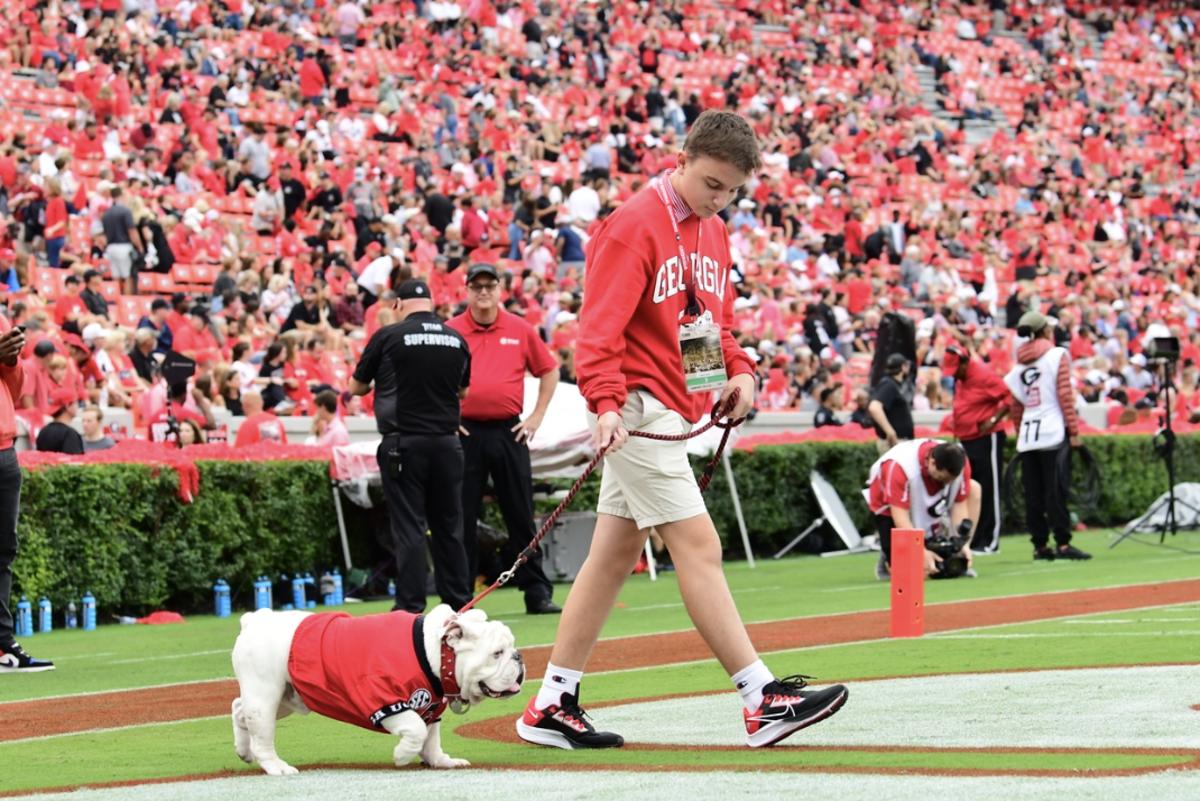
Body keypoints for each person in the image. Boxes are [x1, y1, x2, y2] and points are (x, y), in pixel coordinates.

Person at [516, 111, 847, 752]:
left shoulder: (713, 231)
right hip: (634, 407)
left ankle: (552, 701)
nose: (718, 198)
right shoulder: (633, 224)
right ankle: (761, 698)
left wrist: (737, 374)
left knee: (610, 560)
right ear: (682, 157)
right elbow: (598, 332)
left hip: (666, 406)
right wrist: (606, 404)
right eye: (711, 183)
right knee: (700, 546)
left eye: (730, 191)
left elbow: (707, 324)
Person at [350, 279, 473, 614]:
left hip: (403, 443)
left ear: (397, 305)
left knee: (410, 527)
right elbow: (462, 392)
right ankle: (459, 605)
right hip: (448, 444)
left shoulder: (388, 336)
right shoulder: (456, 339)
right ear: (431, 304)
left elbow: (357, 387)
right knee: (449, 527)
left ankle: (410, 607)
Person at [447, 261, 561, 615]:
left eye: (489, 286)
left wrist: (537, 415)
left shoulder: (519, 328)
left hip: (509, 430)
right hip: (465, 432)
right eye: (477, 286)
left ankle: (537, 592)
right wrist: (447, 417)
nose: (483, 292)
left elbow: (550, 370)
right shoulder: (451, 330)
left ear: (500, 290)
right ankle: (459, 598)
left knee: (521, 514)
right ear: (467, 290)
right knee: (461, 516)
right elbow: (432, 378)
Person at [1004, 311, 1092, 561]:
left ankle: (1040, 545)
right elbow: (1065, 395)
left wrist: (1021, 432)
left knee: (1033, 494)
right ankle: (1063, 543)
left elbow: (1016, 405)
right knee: (1056, 491)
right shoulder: (1056, 356)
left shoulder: (1018, 365)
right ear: (1046, 331)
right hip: (1052, 431)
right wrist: (1073, 431)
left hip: (1029, 436)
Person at [0, 321, 53, 671]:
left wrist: (9, 362)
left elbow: (14, 391)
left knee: (3, 550)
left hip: (4, 449)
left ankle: (2, 644)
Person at [866, 438, 981, 579]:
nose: (947, 484)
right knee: (914, 574)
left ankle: (951, 555)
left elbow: (959, 504)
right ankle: (888, 556)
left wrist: (960, 544)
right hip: (889, 507)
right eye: (943, 479)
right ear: (932, 463)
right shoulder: (899, 467)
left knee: (974, 488)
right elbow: (900, 519)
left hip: (927, 501)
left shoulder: (960, 463)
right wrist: (920, 551)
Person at [942, 343, 1010, 553]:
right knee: (970, 490)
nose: (954, 375)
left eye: (956, 369)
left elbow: (1008, 397)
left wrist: (992, 419)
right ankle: (973, 540)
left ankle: (990, 541)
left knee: (989, 488)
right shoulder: (960, 379)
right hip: (966, 438)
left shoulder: (982, 374)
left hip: (986, 438)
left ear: (965, 362)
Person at [867, 353, 913, 453]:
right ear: (902, 367)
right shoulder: (888, 384)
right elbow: (874, 407)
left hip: (899, 442)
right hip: (893, 443)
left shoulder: (892, 384)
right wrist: (890, 431)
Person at [35, 387, 84, 454]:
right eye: (76, 402)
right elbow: (73, 462)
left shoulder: (43, 431)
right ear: (67, 406)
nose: (78, 406)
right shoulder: (70, 434)